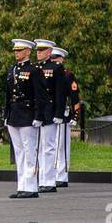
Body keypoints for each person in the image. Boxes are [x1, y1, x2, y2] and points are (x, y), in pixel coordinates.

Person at [5, 39, 47, 198]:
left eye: (20, 50)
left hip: (28, 114)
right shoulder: (12, 70)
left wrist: (38, 116)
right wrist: (6, 114)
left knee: (30, 151)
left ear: (28, 52)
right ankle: (21, 185)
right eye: (15, 50)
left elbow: (41, 96)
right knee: (19, 152)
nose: (16, 53)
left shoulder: (34, 71)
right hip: (14, 114)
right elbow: (7, 95)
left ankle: (31, 187)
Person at [33, 39, 65, 193]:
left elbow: (60, 93)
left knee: (49, 147)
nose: (39, 52)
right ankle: (42, 180)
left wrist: (59, 113)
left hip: (50, 111)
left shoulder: (56, 68)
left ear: (49, 52)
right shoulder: (34, 67)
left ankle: (50, 181)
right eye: (38, 50)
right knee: (39, 147)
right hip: (37, 111)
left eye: (42, 50)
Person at [49, 47, 79, 187]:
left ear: (62, 59)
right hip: (50, 113)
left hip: (64, 113)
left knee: (62, 146)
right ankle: (51, 174)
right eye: (52, 58)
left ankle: (62, 175)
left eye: (56, 58)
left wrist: (75, 115)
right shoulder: (47, 73)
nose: (53, 60)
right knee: (51, 145)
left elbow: (74, 96)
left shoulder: (68, 75)